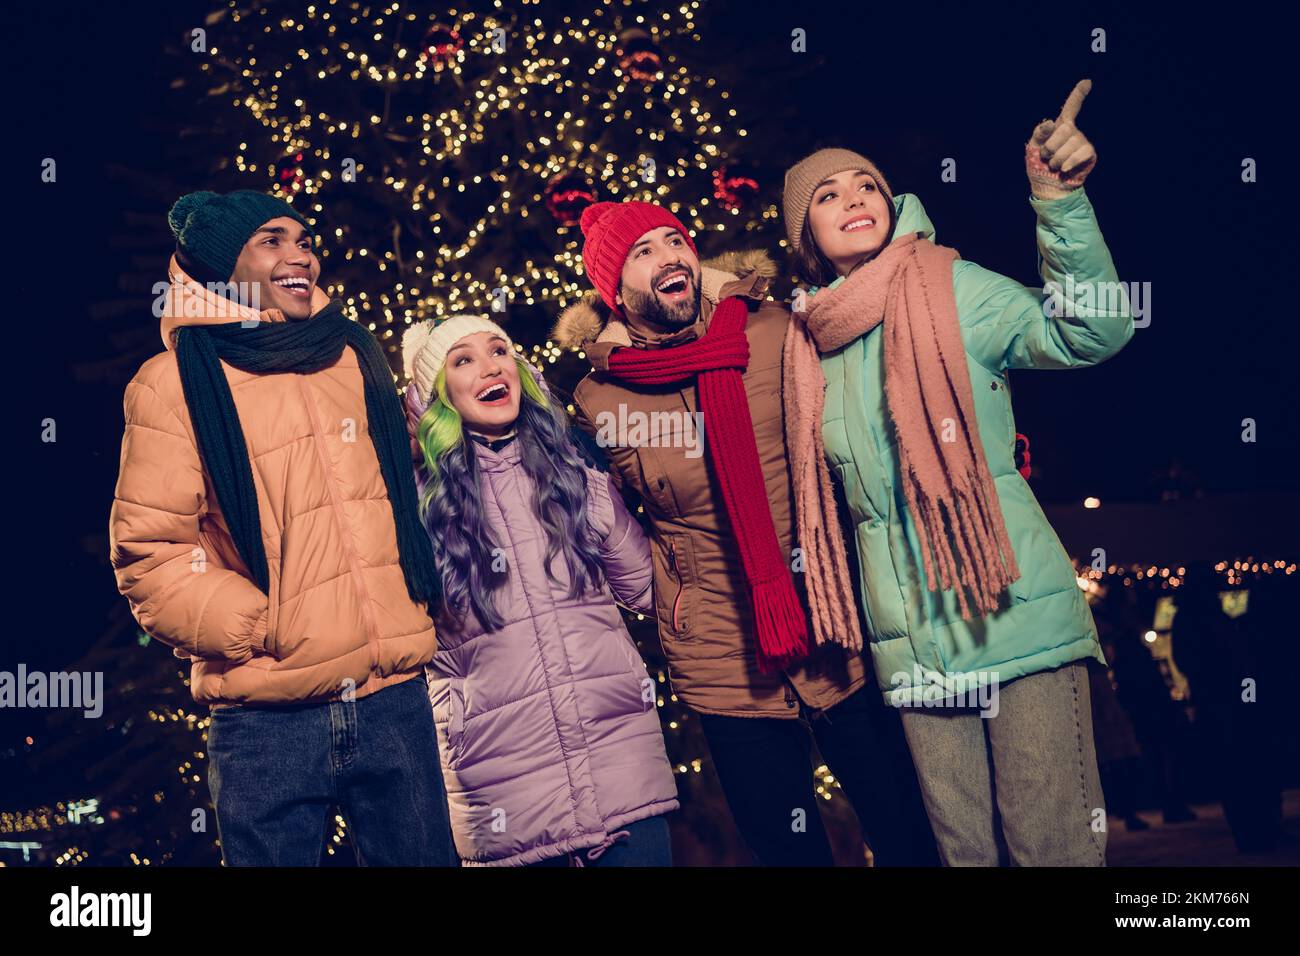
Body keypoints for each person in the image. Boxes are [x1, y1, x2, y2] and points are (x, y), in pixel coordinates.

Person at [779, 80, 1132, 865]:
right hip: (911, 646)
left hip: (1015, 613)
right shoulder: (808, 347)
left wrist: (1061, 202)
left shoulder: (953, 288)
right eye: (828, 194)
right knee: (963, 854)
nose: (855, 198)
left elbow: (1094, 332)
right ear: (804, 233)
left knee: (1053, 847)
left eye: (867, 183)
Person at [551, 201, 939, 866]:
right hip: (721, 654)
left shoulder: (777, 330)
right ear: (613, 289)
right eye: (642, 252)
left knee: (905, 828)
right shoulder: (598, 399)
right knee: (788, 850)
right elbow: (606, 526)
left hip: (831, 620)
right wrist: (669, 596)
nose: (667, 256)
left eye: (674, 240)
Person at [109, 190, 455, 866]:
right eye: (272, 240)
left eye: (304, 239)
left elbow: (389, 495)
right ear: (220, 264)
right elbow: (151, 556)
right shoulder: (172, 383)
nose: (300, 254)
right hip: (267, 718)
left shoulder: (350, 356)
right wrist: (263, 627)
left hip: (393, 701)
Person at [403, 314, 679, 866]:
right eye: (463, 360)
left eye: (498, 350)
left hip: (620, 769)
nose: (489, 366)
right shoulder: (414, 503)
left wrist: (600, 498)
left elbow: (644, 588)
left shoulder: (571, 471)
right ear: (436, 396)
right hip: (503, 791)